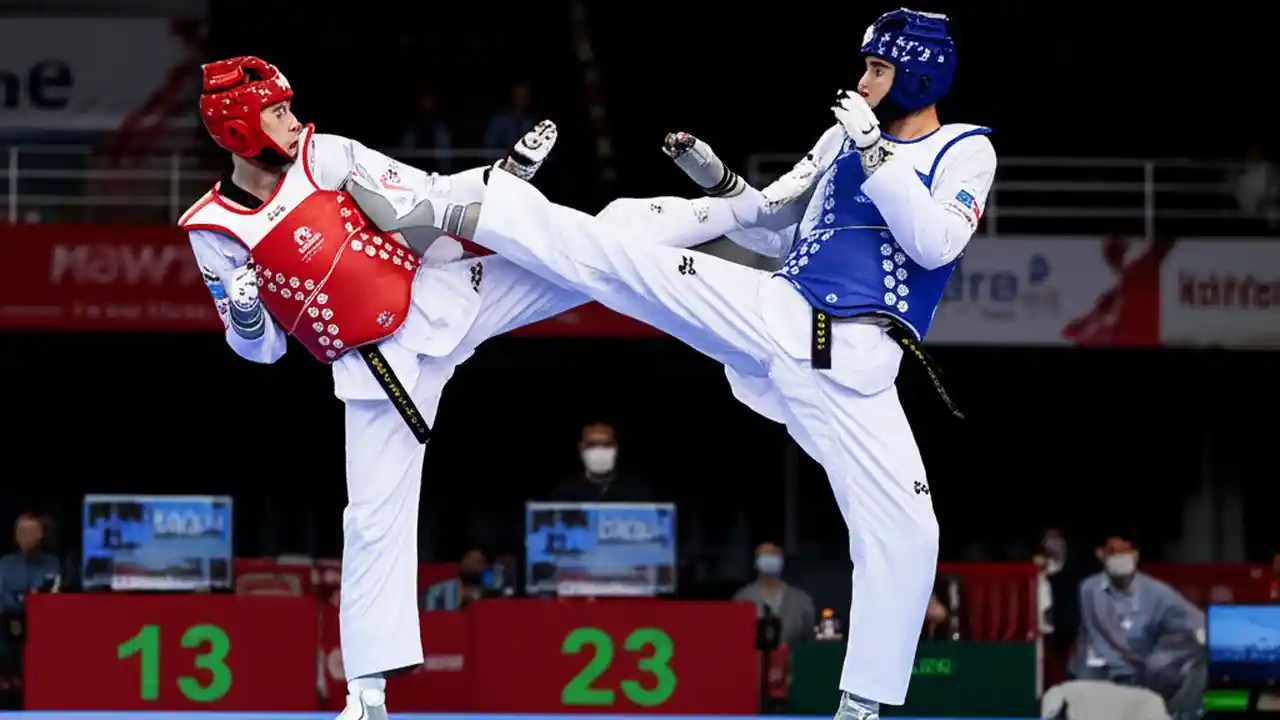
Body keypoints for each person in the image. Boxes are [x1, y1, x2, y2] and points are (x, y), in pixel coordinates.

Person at [377, 9, 998, 717]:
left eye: (877, 70)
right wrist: (720, 179)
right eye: (865, 68)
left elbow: (935, 242)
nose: (862, 83)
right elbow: (773, 220)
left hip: (857, 368)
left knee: (912, 535)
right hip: (777, 316)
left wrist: (875, 153)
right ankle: (474, 206)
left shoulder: (964, 151)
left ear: (919, 72)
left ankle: (862, 705)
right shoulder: (840, 138)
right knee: (625, 261)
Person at [179, 56, 748, 720]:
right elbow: (259, 351)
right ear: (239, 130)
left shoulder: (324, 156)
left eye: (287, 107)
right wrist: (246, 315)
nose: (294, 119)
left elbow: (424, 193)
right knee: (370, 520)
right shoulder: (214, 230)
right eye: (276, 112)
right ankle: (367, 694)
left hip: (443, 293)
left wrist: (501, 183)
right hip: (376, 370)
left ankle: (737, 210)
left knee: (593, 243)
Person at [1070, 535, 1204, 702]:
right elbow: (1089, 636)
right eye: (1114, 553)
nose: (1120, 558)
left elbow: (1192, 619)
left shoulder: (1156, 592)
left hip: (1140, 677)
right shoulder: (1088, 589)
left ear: (1135, 555)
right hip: (1097, 676)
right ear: (1101, 554)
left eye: (1124, 552)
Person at [733, 542, 816, 648]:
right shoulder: (743, 597)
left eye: (773, 554)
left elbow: (809, 640)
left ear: (782, 560)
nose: (769, 559)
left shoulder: (802, 600)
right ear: (756, 562)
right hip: (753, 660)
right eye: (764, 555)